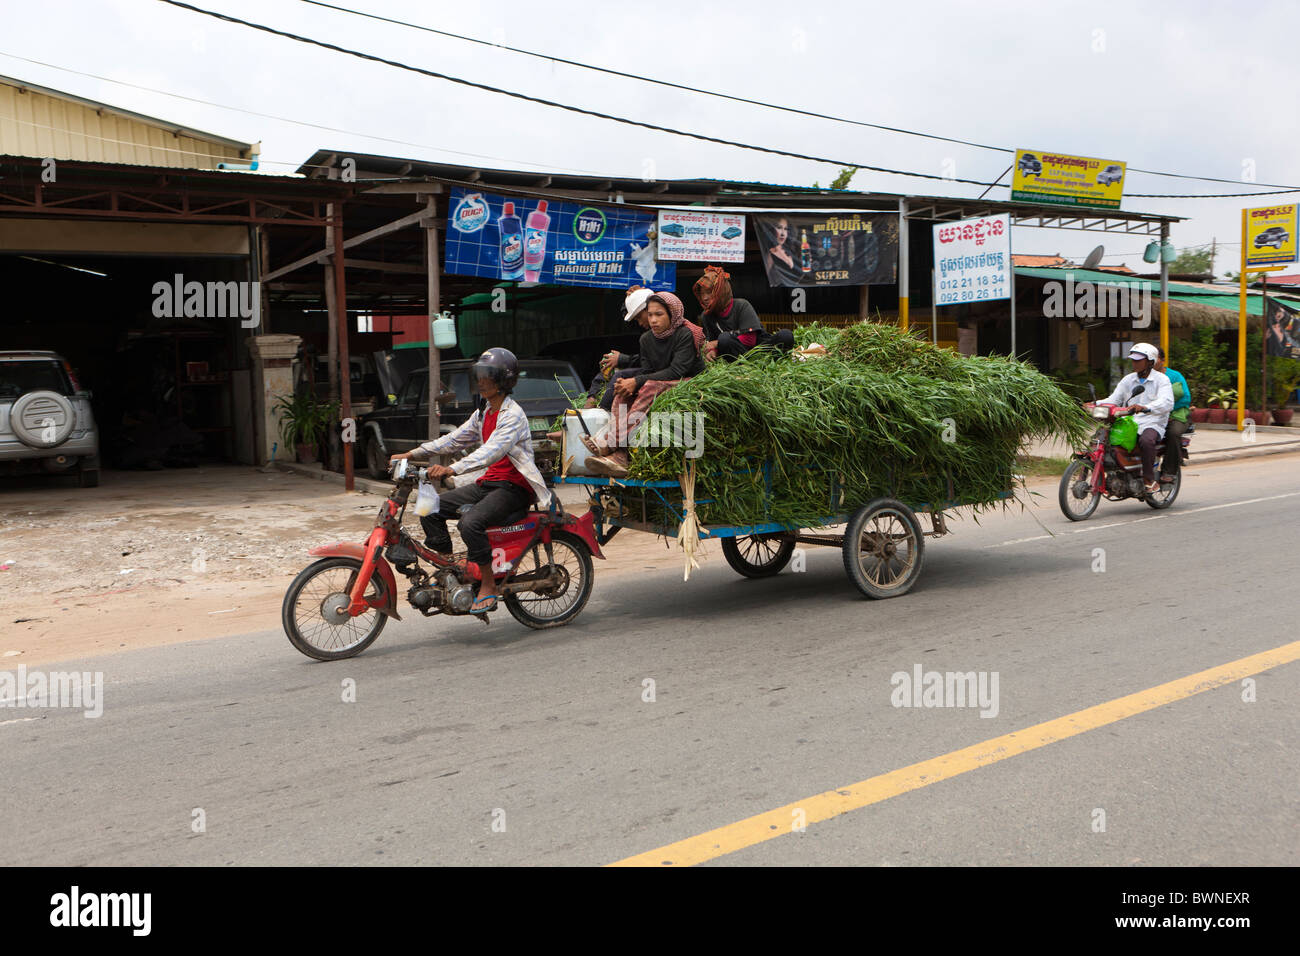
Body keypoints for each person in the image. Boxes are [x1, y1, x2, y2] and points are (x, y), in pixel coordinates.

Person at [389, 348, 550, 615]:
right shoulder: (483, 413)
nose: (482, 381)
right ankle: (451, 569)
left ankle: (487, 585)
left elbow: (492, 451)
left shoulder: (512, 415)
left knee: (471, 523)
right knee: (429, 510)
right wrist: (413, 453)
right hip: (490, 483)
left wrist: (453, 469)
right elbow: (454, 440)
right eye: (481, 375)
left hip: (515, 488)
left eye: (488, 376)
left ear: (503, 381)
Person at [582, 291, 704, 476]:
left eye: (659, 314)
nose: (653, 320)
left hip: (688, 382)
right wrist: (629, 385)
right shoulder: (646, 339)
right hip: (658, 382)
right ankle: (621, 455)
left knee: (647, 386)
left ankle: (611, 443)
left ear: (672, 314)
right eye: (650, 314)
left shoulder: (685, 334)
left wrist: (637, 381)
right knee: (623, 390)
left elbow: (676, 371)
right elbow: (648, 372)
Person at [1095, 343, 1173, 494]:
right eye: (1133, 360)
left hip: (1153, 422)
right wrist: (1094, 404)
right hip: (1129, 421)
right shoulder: (1128, 380)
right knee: (1102, 436)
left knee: (1146, 441)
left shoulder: (1161, 380)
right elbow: (1114, 399)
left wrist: (1145, 407)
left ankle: (1149, 480)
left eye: (1138, 360)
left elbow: (1167, 402)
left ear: (1150, 362)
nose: (1134, 363)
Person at [693, 265, 795, 360]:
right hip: (738, 357)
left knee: (786, 335)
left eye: (709, 292)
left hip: (762, 351)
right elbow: (712, 341)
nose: (704, 298)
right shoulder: (706, 316)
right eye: (702, 294)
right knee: (724, 339)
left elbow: (750, 340)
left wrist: (716, 343)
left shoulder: (742, 305)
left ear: (721, 291)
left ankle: (770, 362)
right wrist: (713, 351)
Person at [1155, 345, 1190, 484]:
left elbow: (1186, 398)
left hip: (1176, 415)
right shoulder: (1141, 376)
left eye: (1155, 357)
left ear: (1162, 360)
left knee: (1173, 433)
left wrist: (1166, 407)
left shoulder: (1175, 376)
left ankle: (1169, 471)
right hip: (1150, 415)